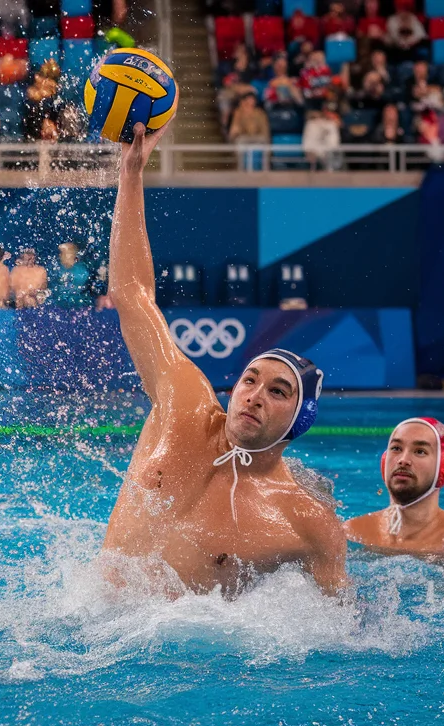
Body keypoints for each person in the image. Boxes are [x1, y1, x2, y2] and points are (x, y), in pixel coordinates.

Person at [102, 121, 347, 597]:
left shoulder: (306, 524)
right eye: (250, 380)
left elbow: (343, 630)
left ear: (301, 420)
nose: (254, 395)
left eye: (278, 392)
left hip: (181, 663)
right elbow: (131, 295)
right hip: (89, 628)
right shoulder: (184, 404)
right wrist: (130, 174)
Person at [344, 418, 444, 560]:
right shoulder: (351, 532)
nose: (403, 460)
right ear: (384, 461)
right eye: (396, 448)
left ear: (443, 468)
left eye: (420, 451)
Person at [51, 242, 91, 308]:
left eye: (62, 253)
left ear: (71, 255)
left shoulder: (81, 272)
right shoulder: (58, 268)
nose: (59, 255)